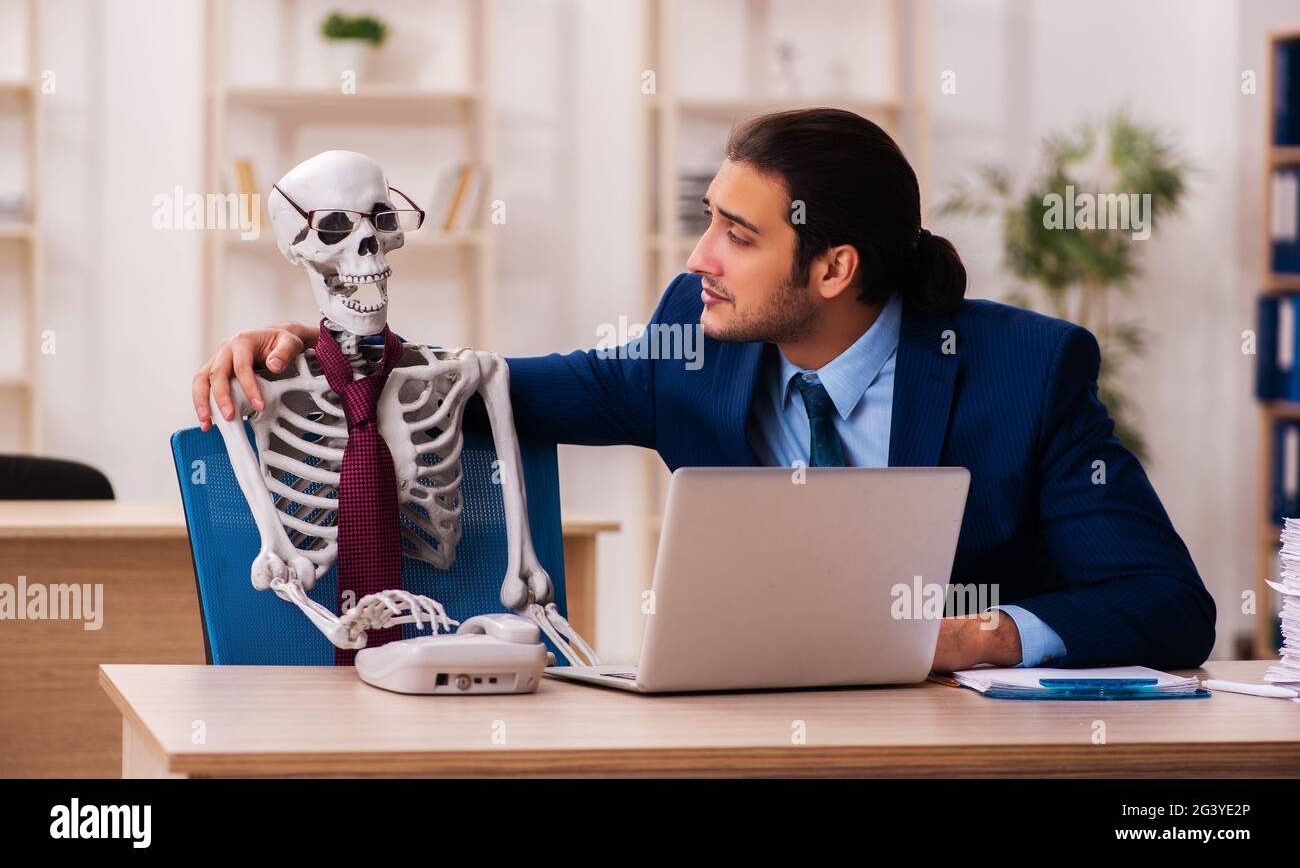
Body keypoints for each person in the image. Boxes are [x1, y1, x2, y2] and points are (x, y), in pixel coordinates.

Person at [192, 108, 1216, 671]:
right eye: (708, 219)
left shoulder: (1026, 372)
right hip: (754, 729)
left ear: (833, 268)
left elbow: (1167, 606)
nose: (700, 258)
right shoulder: (696, 340)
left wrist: (970, 636)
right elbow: (497, 389)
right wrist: (326, 343)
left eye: (737, 233)